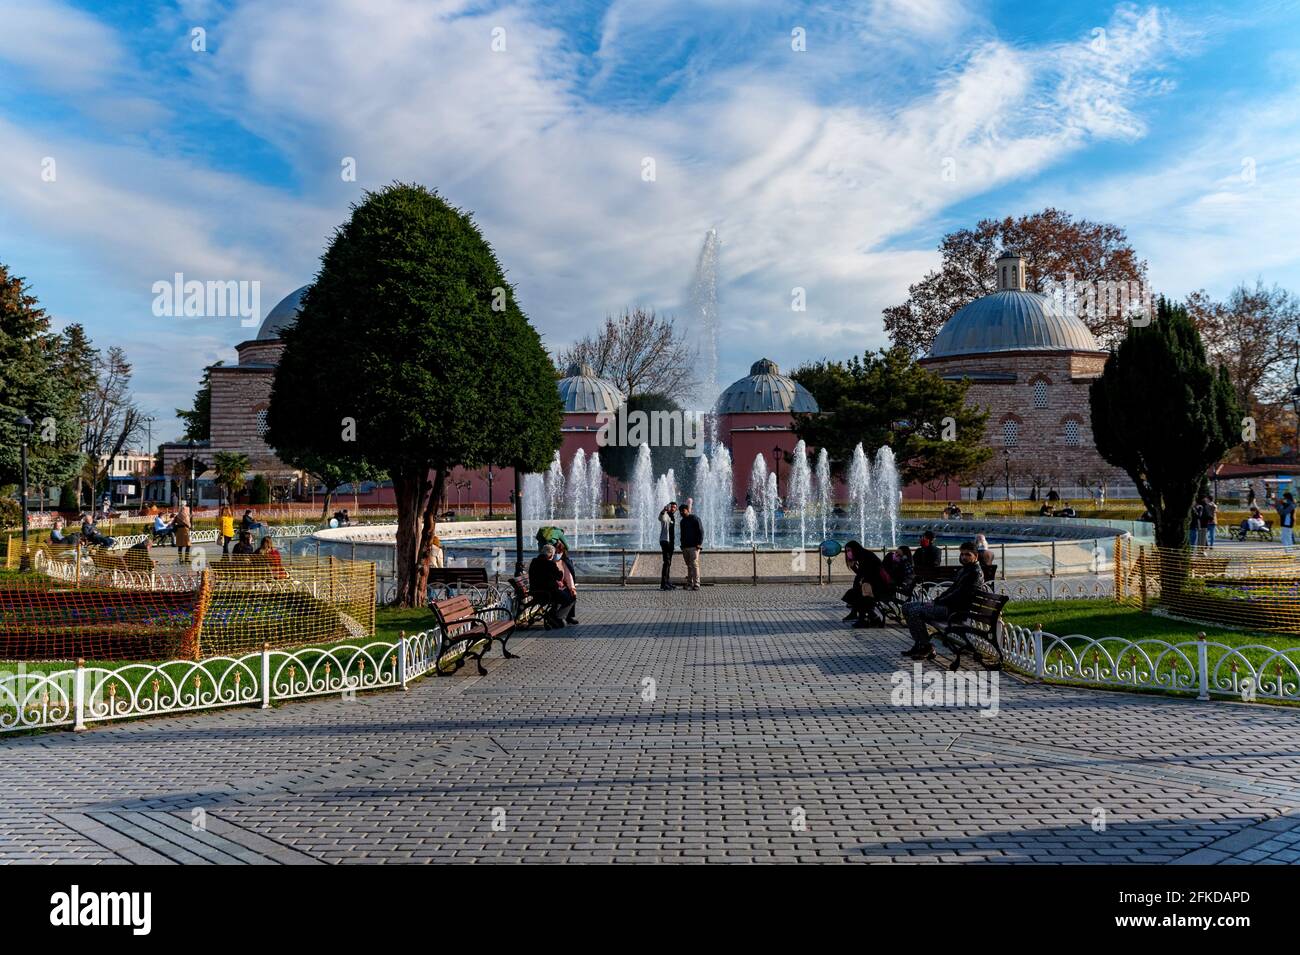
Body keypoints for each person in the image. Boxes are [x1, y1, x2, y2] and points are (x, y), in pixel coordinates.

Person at [901, 540, 986, 660]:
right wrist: (936, 601)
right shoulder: (965, 569)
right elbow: (952, 589)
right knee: (907, 606)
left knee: (915, 611)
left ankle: (926, 647)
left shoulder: (975, 573)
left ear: (975, 556)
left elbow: (959, 595)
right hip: (948, 606)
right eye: (962, 554)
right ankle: (919, 644)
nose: (964, 557)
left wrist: (937, 603)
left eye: (968, 554)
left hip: (955, 611)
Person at [841, 541, 890, 628]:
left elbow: (869, 573)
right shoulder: (862, 556)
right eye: (847, 551)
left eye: (849, 550)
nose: (848, 553)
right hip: (871, 584)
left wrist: (856, 571)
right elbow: (862, 574)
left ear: (855, 549)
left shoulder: (865, 556)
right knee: (855, 593)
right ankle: (871, 617)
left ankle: (865, 619)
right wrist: (853, 567)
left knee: (858, 595)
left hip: (879, 585)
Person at [527, 543, 574, 629]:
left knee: (563, 595)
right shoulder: (550, 564)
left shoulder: (534, 561)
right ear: (550, 554)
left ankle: (552, 615)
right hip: (548, 592)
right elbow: (559, 576)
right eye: (553, 554)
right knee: (569, 599)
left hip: (536, 591)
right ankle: (555, 617)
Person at [679, 501, 703, 591]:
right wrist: (682, 544)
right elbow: (682, 534)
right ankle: (689, 583)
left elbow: (701, 531)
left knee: (694, 564)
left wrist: (699, 544)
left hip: (694, 546)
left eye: (683, 511)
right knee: (689, 565)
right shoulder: (682, 521)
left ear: (687, 510)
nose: (681, 512)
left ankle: (696, 583)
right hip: (685, 546)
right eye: (680, 511)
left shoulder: (695, 518)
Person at [555, 539, 579, 625]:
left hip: (562, 586)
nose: (557, 554)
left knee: (572, 594)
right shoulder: (550, 561)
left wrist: (572, 588)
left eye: (559, 552)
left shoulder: (564, 561)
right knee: (567, 596)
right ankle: (558, 616)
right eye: (556, 551)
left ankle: (569, 616)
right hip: (555, 587)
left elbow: (569, 577)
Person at [658, 502, 678, 591]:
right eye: (672, 507)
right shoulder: (665, 515)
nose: (673, 508)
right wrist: (663, 510)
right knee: (666, 562)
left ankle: (667, 581)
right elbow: (660, 517)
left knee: (669, 563)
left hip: (671, 543)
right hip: (665, 541)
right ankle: (663, 583)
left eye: (674, 507)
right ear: (669, 507)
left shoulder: (673, 516)